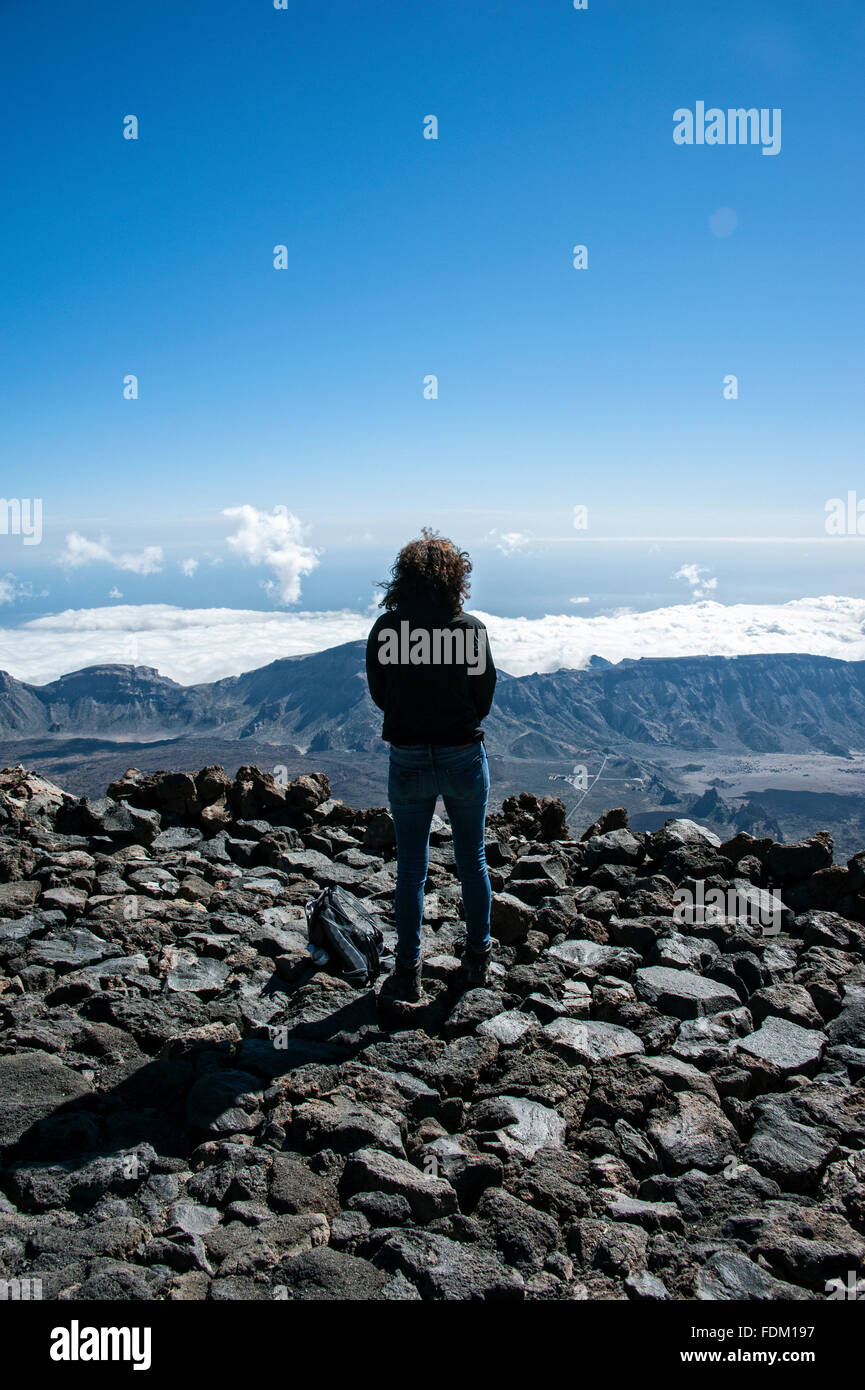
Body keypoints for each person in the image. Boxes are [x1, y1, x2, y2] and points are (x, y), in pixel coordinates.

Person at [366, 528, 497, 1002]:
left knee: (410, 869)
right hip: (462, 754)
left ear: (404, 577)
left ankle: (408, 971)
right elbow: (484, 696)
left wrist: (412, 717)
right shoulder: (470, 630)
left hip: (407, 757)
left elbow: (380, 691)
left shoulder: (387, 630)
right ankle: (477, 959)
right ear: (454, 578)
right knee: (472, 860)